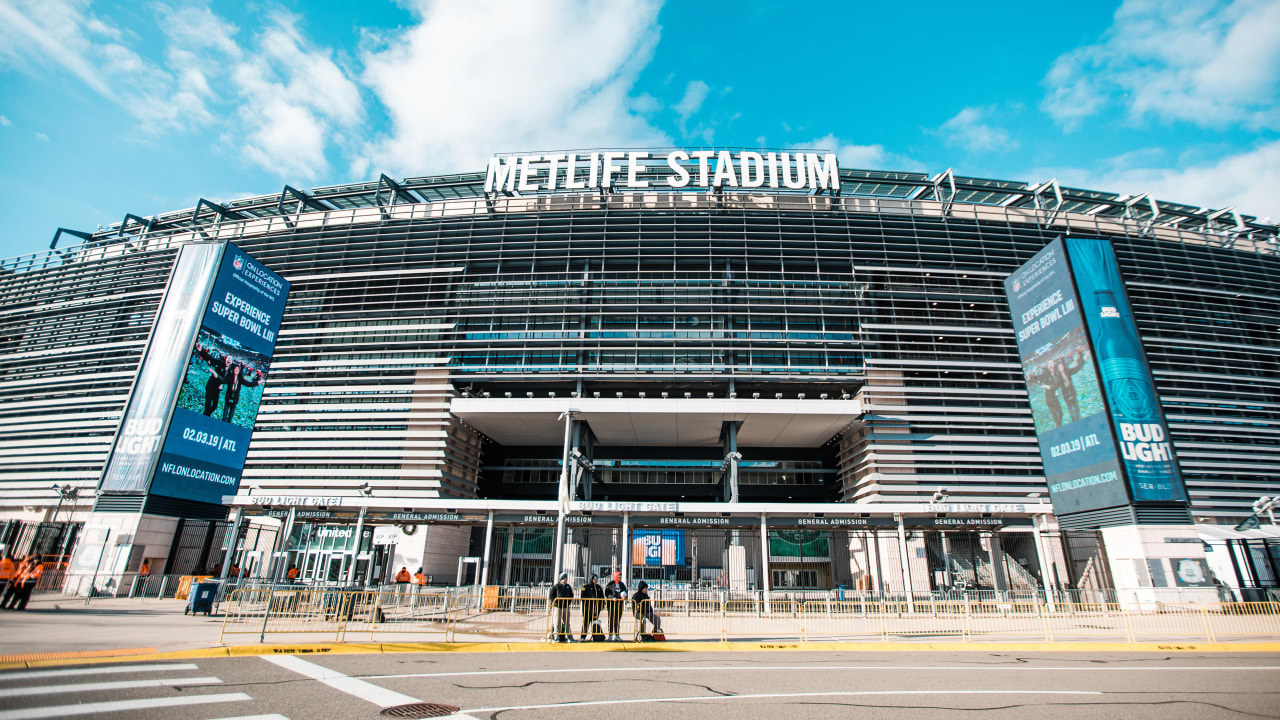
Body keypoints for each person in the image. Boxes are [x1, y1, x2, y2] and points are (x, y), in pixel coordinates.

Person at [548, 571, 575, 642]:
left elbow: (571, 595)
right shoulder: (556, 586)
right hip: (558, 607)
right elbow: (551, 595)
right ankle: (557, 637)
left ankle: (570, 637)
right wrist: (555, 602)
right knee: (557, 622)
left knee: (567, 622)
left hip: (565, 607)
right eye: (565, 577)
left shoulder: (568, 586)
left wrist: (568, 603)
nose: (566, 579)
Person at [579, 574, 605, 641]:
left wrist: (601, 605)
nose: (596, 580)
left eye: (596, 579)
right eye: (594, 579)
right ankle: (583, 637)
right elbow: (582, 597)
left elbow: (602, 597)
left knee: (595, 624)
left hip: (596, 609)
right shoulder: (586, 587)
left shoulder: (598, 587)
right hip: (588, 609)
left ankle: (595, 636)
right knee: (586, 623)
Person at [603, 570, 627, 642]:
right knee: (611, 620)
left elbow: (625, 592)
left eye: (620, 577)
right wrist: (611, 598)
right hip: (611, 605)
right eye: (618, 577)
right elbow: (607, 593)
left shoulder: (622, 585)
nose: (619, 578)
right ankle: (610, 635)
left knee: (617, 620)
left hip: (619, 605)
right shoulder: (610, 584)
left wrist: (625, 596)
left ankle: (617, 635)